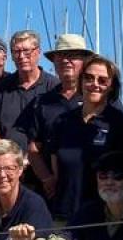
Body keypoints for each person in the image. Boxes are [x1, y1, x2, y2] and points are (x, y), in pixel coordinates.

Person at [35, 54, 123, 220]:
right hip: (64, 216)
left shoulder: (122, 124)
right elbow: (57, 167)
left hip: (105, 218)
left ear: (112, 86)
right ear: (81, 81)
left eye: (102, 80)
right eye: (89, 78)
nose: (94, 84)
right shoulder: (62, 121)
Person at [19, 32, 93, 200]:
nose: (66, 60)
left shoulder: (99, 99)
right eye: (61, 56)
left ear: (85, 62)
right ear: (54, 62)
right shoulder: (41, 102)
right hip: (54, 196)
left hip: (93, 193)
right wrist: (47, 179)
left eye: (73, 56)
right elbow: (33, 149)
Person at [0, 30, 58, 146]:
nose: (21, 56)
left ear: (38, 52)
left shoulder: (53, 85)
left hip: (42, 159)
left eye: (26, 51)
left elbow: (56, 130)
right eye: (16, 52)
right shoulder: (3, 87)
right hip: (7, 159)